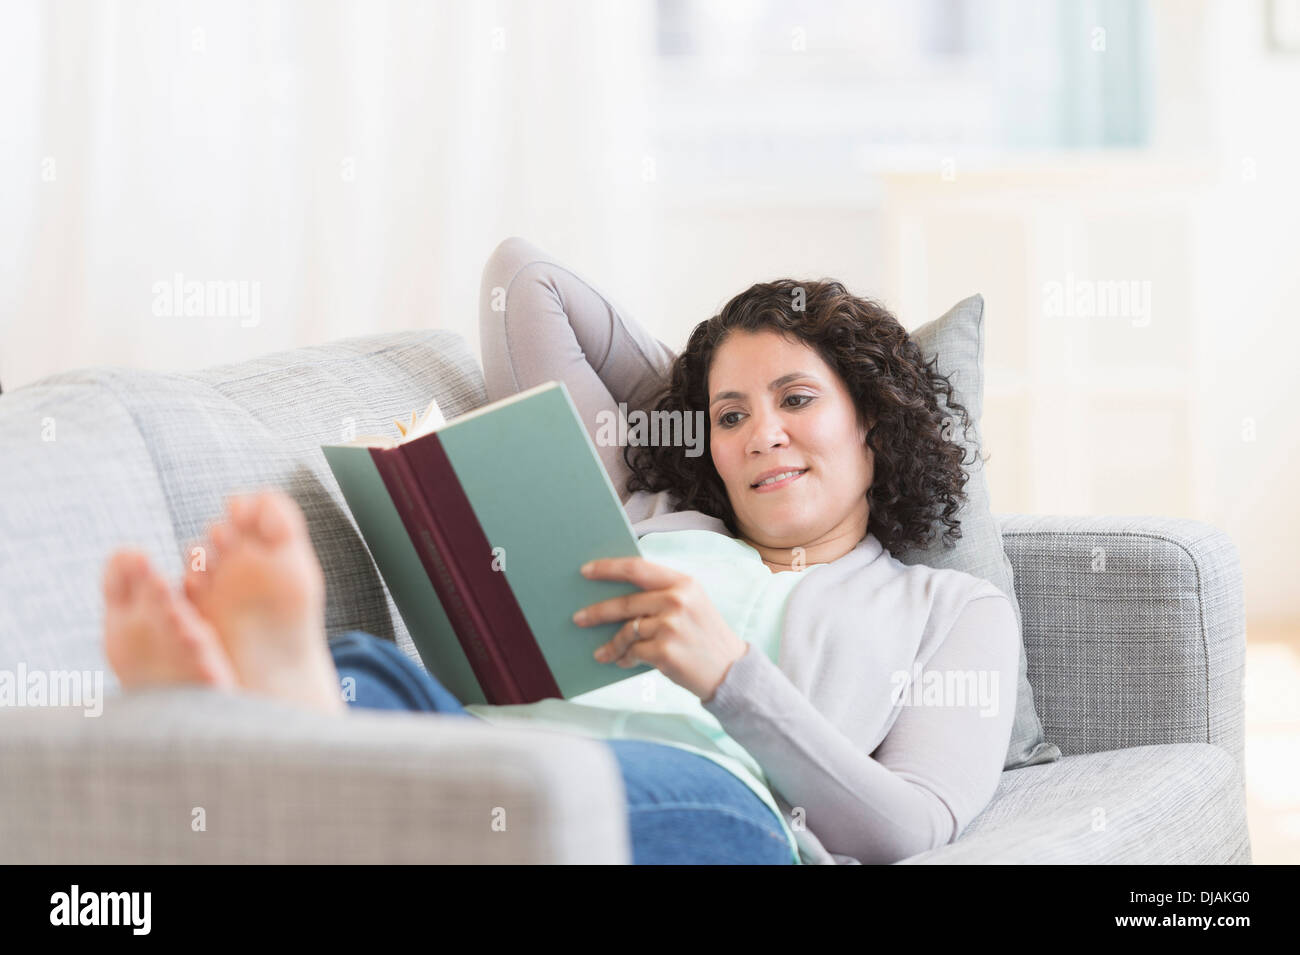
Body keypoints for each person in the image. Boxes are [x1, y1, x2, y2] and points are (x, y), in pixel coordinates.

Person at [101, 236, 1018, 865]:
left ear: (873, 415)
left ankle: (271, 745)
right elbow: (524, 278)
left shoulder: (945, 609)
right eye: (733, 416)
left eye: (798, 399)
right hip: (490, 743)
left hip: (723, 801)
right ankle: (297, 719)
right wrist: (700, 382)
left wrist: (731, 676)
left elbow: (910, 824)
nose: (762, 434)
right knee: (361, 663)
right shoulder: (646, 507)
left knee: (512, 777)